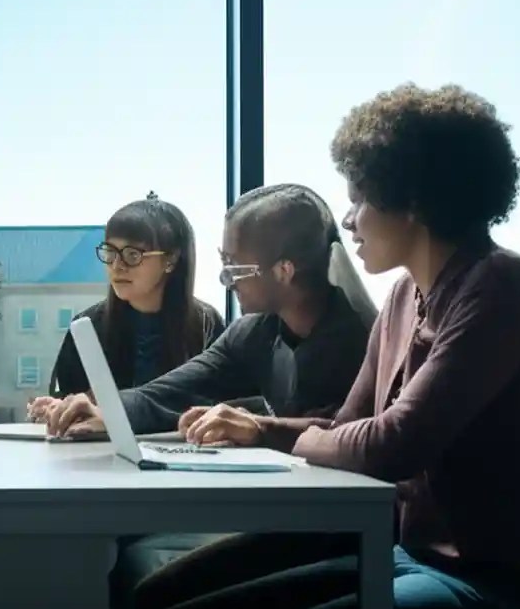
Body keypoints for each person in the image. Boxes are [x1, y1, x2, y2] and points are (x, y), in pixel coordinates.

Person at [145, 84, 520, 609]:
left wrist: (291, 435)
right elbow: (349, 428)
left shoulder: (501, 286)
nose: (348, 221)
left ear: (412, 200)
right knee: (162, 604)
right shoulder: (401, 300)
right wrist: (259, 428)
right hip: (409, 555)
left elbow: (391, 444)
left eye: (360, 199)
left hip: (499, 583)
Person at [44, 183, 377, 440]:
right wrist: (108, 410)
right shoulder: (250, 334)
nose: (225, 279)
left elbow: (354, 433)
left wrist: (259, 429)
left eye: (235, 266)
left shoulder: (364, 341)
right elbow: (171, 392)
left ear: (284, 270)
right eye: (223, 262)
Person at [26, 194, 224, 424]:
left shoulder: (206, 324)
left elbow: (221, 406)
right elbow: (69, 397)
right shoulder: (88, 325)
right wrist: (56, 408)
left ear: (170, 260)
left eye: (133, 255)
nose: (117, 266)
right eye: (110, 252)